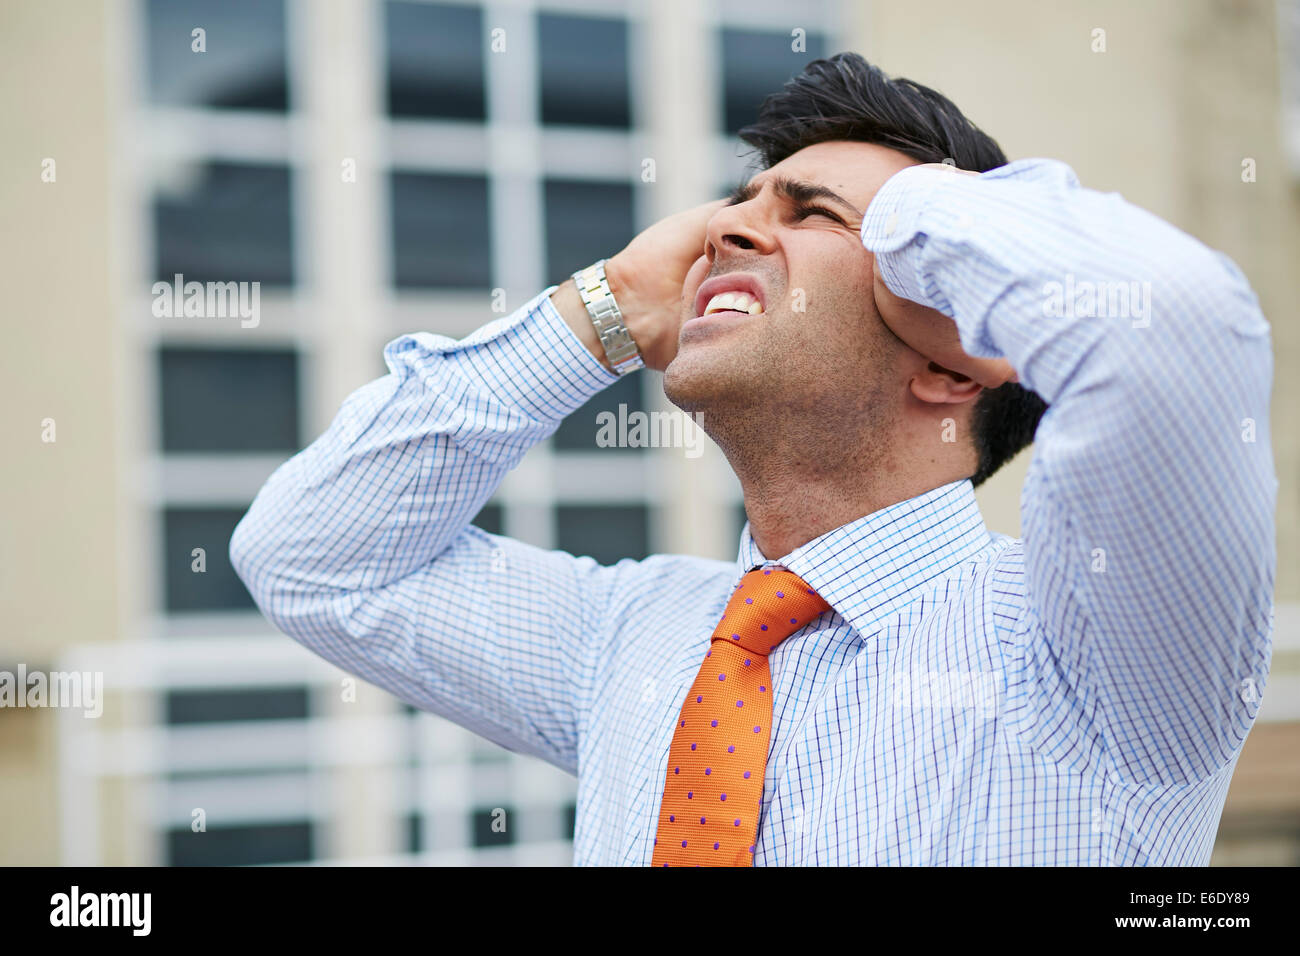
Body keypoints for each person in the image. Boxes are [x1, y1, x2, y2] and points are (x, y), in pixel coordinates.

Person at [229, 53, 1275, 865]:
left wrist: (921, 217)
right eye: (736, 203)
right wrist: (602, 311)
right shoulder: (628, 640)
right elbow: (314, 557)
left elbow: (1170, 327)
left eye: (806, 212)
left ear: (954, 362)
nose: (724, 234)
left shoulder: (1088, 645)